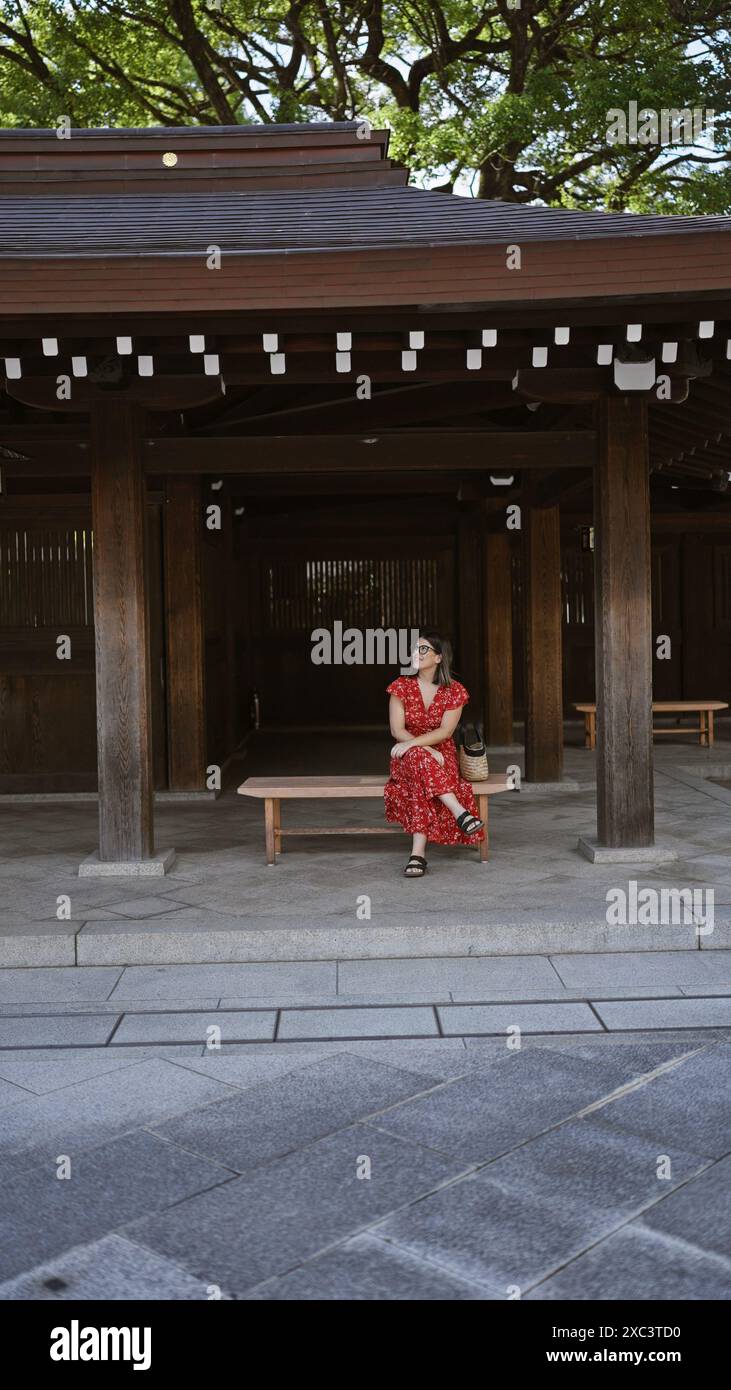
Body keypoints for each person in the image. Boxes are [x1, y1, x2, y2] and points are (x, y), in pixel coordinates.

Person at [384, 630, 484, 876]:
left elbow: (445, 732)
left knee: (420, 775)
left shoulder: (455, 691)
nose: (416, 653)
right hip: (409, 755)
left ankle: (417, 855)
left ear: (439, 657)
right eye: (414, 649)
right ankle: (460, 812)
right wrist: (423, 747)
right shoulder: (401, 686)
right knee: (418, 758)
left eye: (423, 649)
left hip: (442, 756)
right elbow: (397, 730)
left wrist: (419, 746)